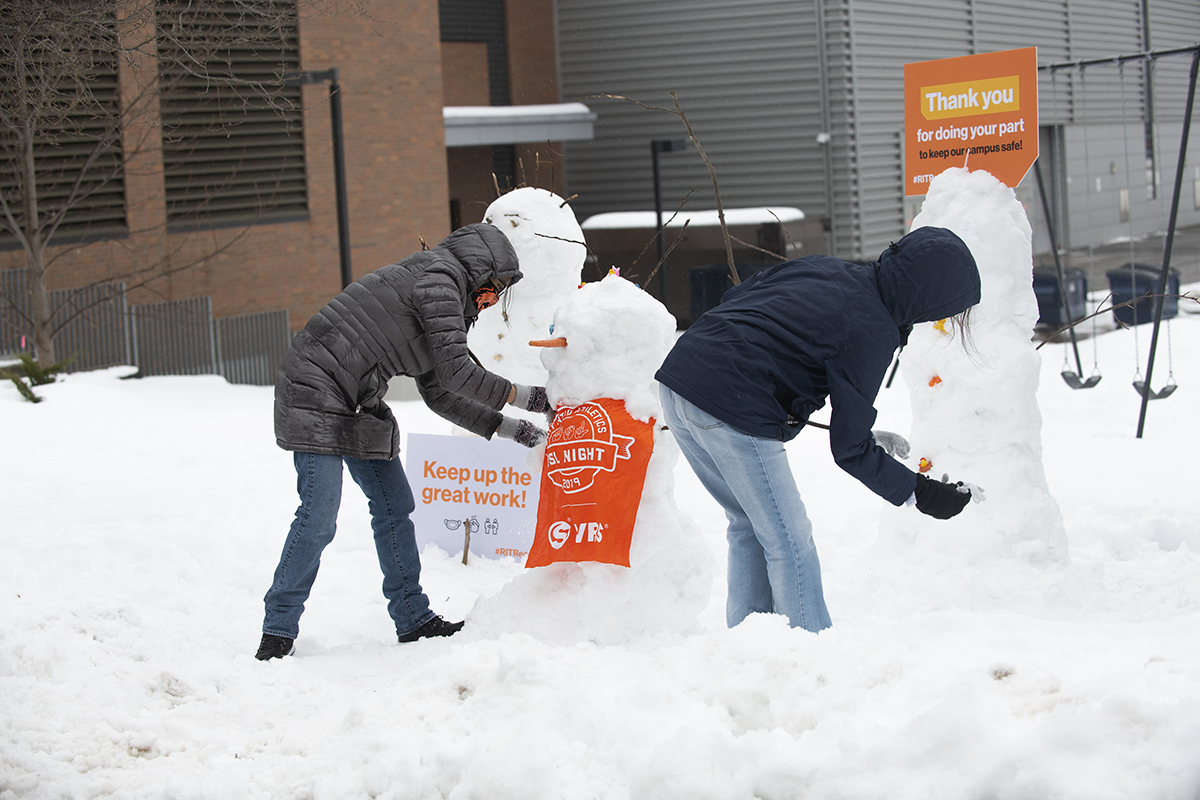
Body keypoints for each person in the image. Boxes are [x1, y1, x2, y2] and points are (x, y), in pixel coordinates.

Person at [655, 225, 981, 634]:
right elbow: (850, 449)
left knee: (749, 523)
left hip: (680, 377)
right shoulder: (873, 326)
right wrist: (921, 492)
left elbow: (739, 302)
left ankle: (748, 643)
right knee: (789, 540)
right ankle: (813, 648)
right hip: (731, 402)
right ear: (929, 297)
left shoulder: (827, 268)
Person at [256, 223, 551, 660]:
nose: (492, 301)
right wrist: (531, 399)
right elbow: (457, 372)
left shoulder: (447, 298)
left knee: (394, 505)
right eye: (494, 287)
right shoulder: (439, 279)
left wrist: (514, 430)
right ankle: (277, 631)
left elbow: (441, 392)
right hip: (313, 386)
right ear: (480, 270)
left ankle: (412, 617)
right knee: (319, 513)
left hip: (359, 398)